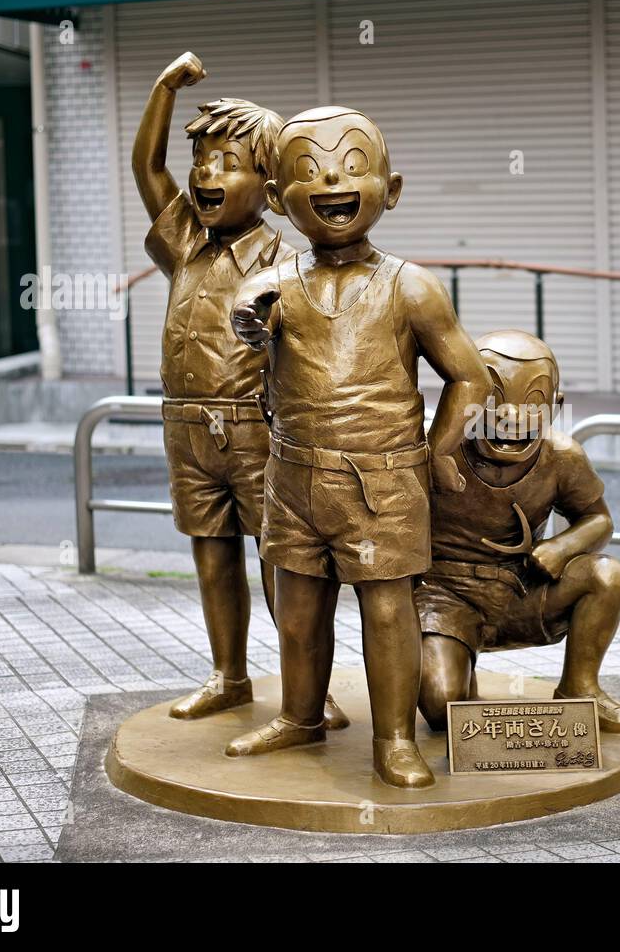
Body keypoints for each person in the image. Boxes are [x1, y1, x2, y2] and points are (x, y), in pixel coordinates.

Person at [229, 106, 490, 788]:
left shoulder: (410, 286)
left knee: (385, 608)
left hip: (382, 480)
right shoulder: (277, 285)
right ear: (283, 202)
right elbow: (249, 307)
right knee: (297, 607)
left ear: (391, 188)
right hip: (293, 476)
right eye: (308, 174)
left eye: (351, 167)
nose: (330, 184)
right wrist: (250, 318)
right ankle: (300, 715)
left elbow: (469, 376)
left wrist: (437, 451)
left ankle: (395, 738)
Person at [131, 51, 347, 727]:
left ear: (270, 183)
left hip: (259, 428)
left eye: (228, 162)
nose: (206, 175)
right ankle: (228, 676)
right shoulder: (184, 243)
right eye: (203, 161)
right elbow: (146, 167)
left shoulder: (289, 262)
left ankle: (310, 690)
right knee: (211, 554)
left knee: (284, 563)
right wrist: (166, 87)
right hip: (188, 427)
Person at [416, 330, 620, 736]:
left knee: (606, 574)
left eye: (532, 402)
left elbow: (599, 520)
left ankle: (580, 688)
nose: (510, 416)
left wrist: (562, 547)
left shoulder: (561, 456)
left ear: (555, 406)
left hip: (523, 589)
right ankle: (454, 665)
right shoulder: (433, 448)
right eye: (492, 397)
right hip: (444, 597)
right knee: (441, 705)